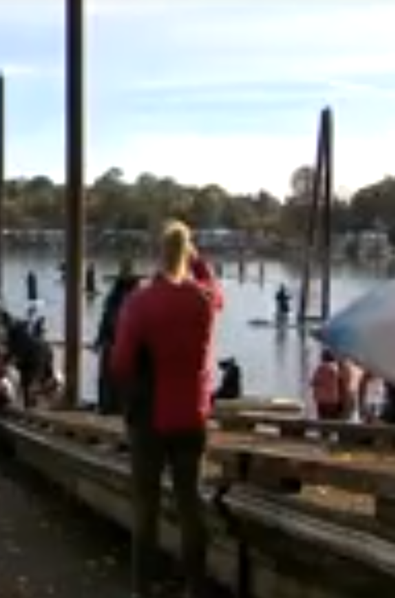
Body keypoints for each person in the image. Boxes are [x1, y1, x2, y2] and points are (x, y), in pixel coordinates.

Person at [110, 220, 223, 598]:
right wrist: (199, 262)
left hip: (149, 419)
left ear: (157, 254)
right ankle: (195, 585)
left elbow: (121, 363)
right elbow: (217, 293)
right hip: (191, 415)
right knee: (190, 504)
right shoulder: (202, 299)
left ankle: (144, 587)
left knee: (147, 506)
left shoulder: (141, 302)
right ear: (188, 251)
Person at [96, 259, 141, 415]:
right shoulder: (136, 298)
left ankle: (108, 408)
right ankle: (118, 409)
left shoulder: (112, 299)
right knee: (122, 385)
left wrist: (100, 341)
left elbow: (105, 323)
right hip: (124, 349)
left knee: (111, 384)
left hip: (114, 348)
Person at [310, 350, 342, 420]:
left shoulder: (321, 368)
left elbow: (313, 382)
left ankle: (323, 431)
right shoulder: (337, 368)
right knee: (332, 421)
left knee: (322, 420)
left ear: (324, 357)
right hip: (333, 399)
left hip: (322, 399)